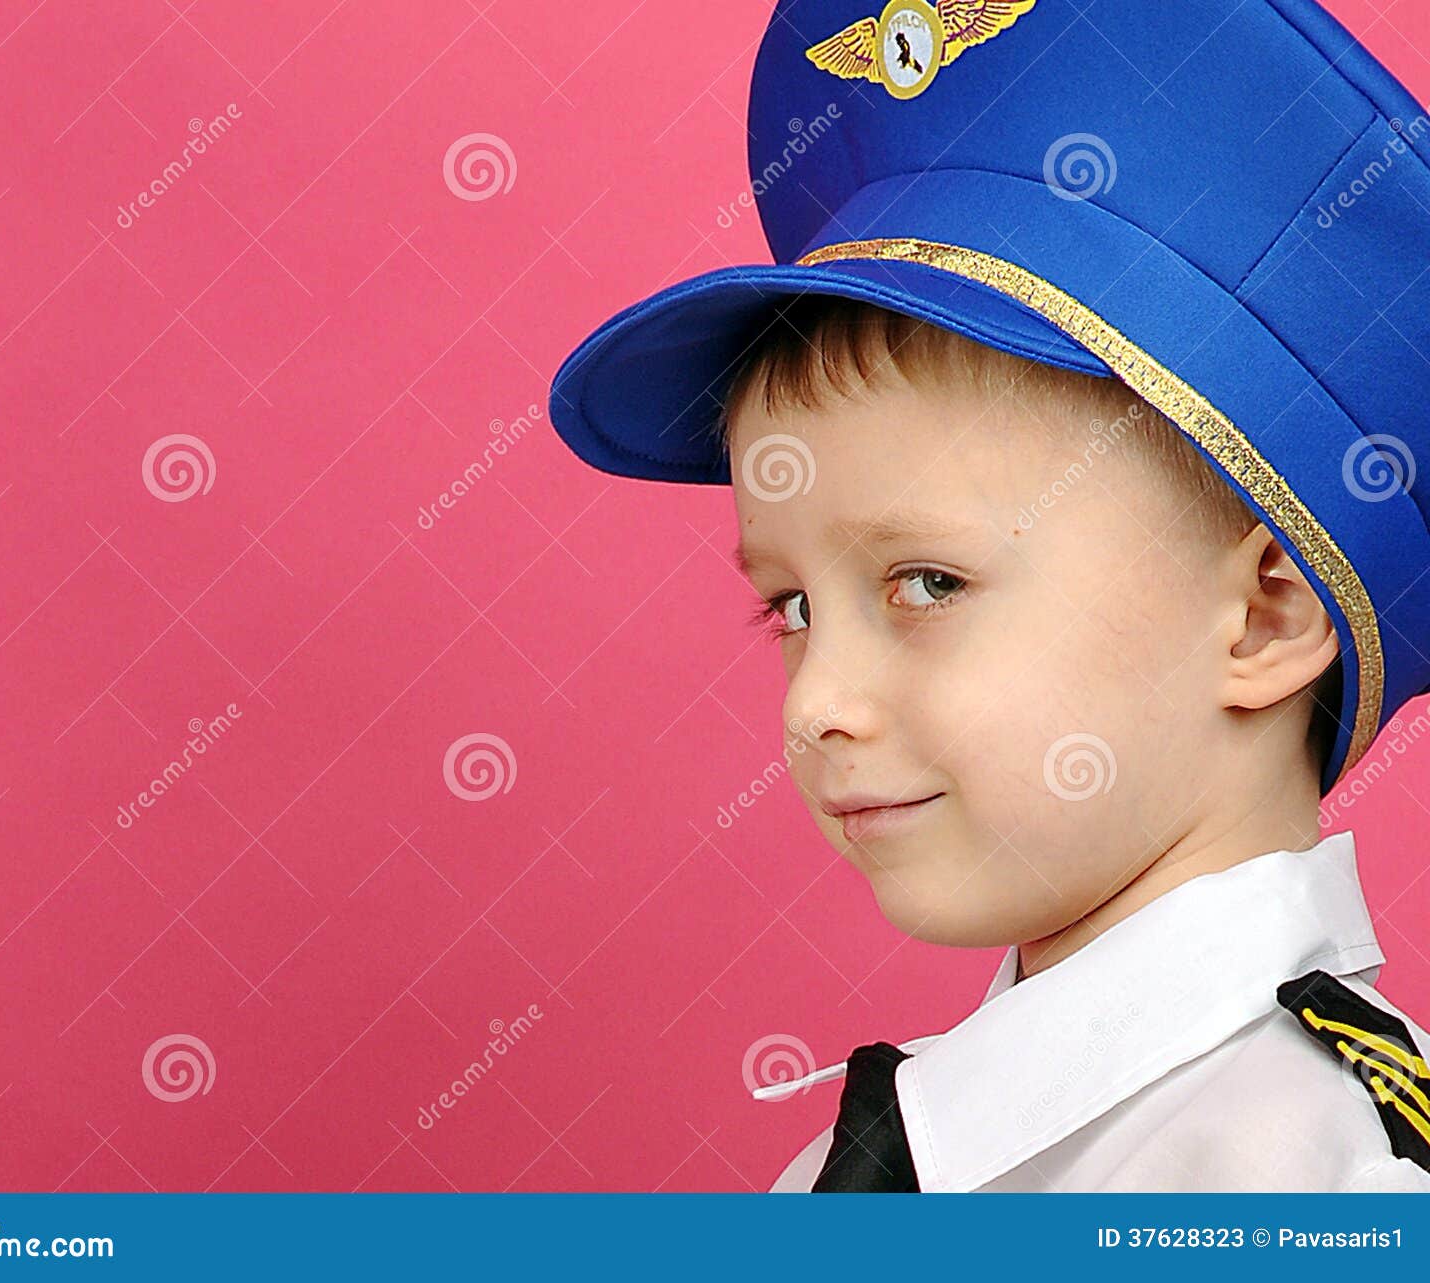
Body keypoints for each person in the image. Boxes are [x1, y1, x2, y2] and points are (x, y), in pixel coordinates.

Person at [546, 0, 1430, 1191]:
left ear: (1266, 613)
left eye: (925, 581)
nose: (816, 705)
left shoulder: (1315, 1172)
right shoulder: (909, 1150)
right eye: (793, 605)